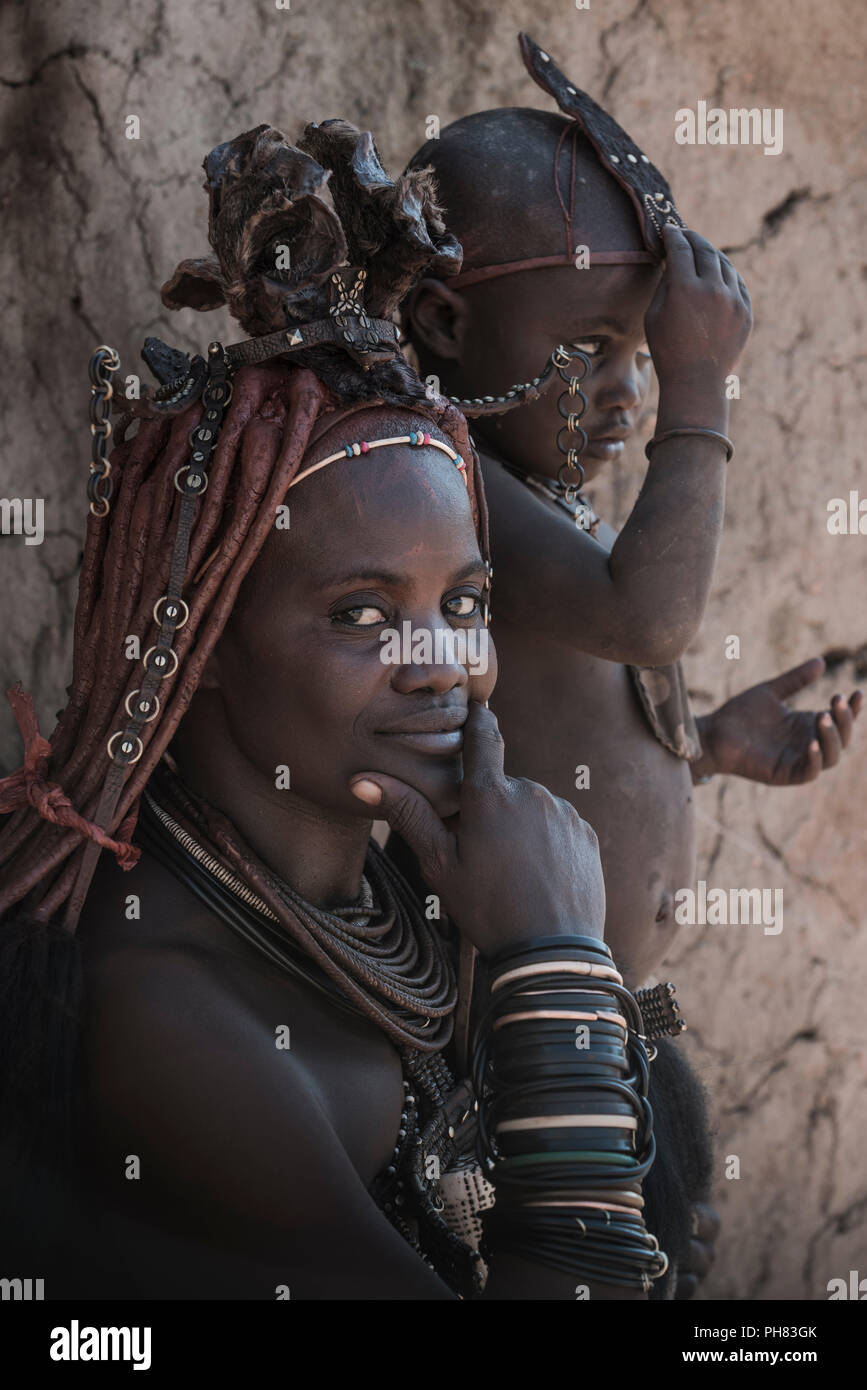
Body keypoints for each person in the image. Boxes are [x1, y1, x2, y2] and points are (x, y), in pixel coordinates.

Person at [0, 118, 666, 1300]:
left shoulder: (417, 885)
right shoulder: (168, 1012)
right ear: (196, 637)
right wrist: (555, 962)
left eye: (465, 602)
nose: (444, 662)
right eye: (362, 615)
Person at [401, 33, 861, 1297]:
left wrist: (703, 742)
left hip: (599, 1018)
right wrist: (701, 389)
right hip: (511, 1044)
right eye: (594, 348)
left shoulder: (544, 490)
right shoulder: (459, 486)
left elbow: (587, 706)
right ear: (444, 320)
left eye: (642, 358)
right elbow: (643, 615)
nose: (624, 391)